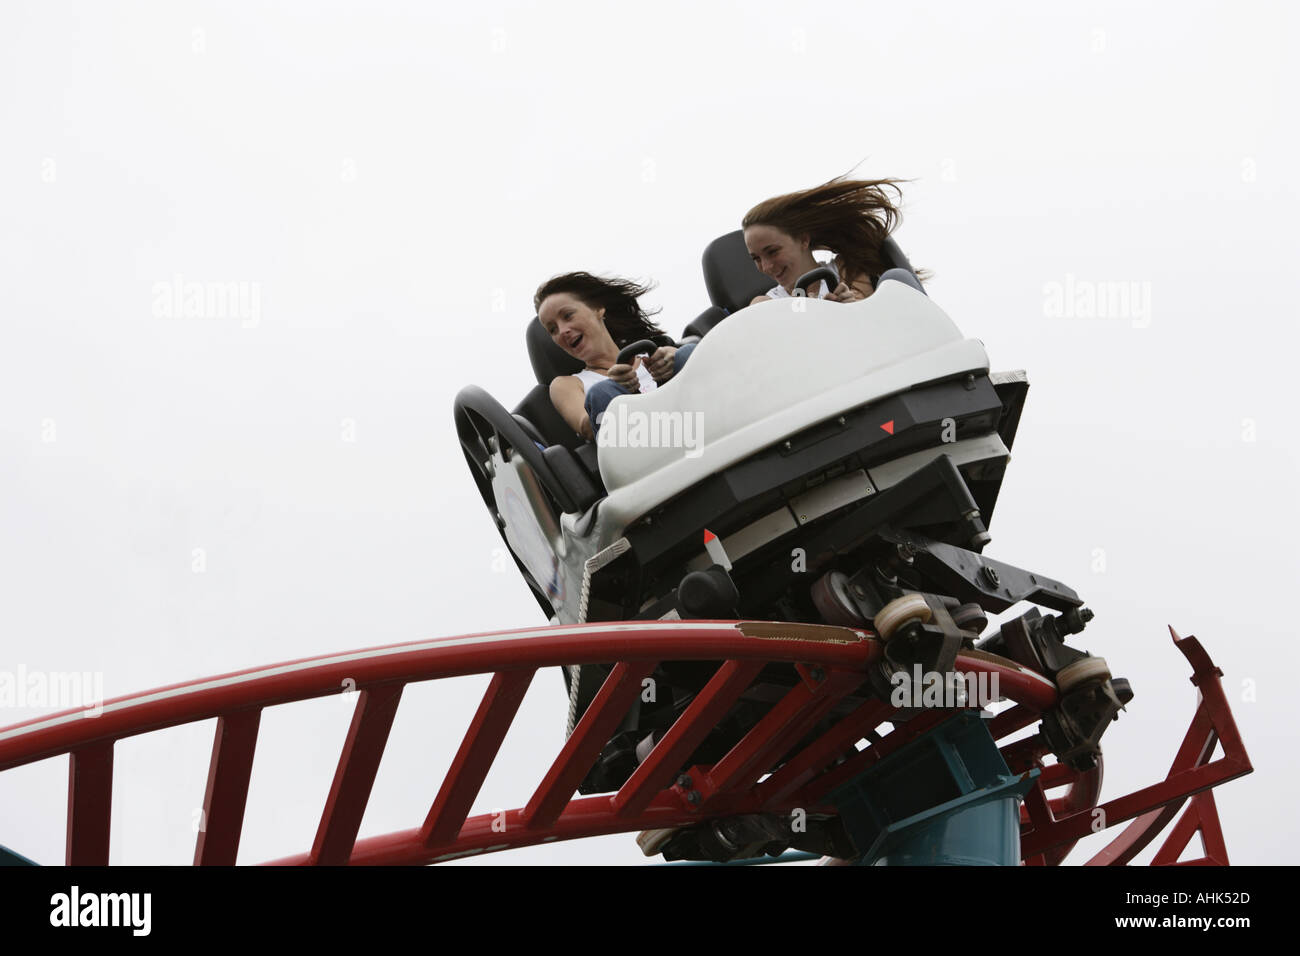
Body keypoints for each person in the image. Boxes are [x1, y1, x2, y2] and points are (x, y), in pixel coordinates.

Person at [535, 272, 695, 441]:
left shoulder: (655, 356)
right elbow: (585, 425)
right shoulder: (566, 385)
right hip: (642, 449)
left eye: (568, 316)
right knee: (601, 393)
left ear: (597, 309)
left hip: (695, 424)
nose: (562, 331)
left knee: (687, 352)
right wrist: (616, 391)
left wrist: (675, 356)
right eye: (553, 330)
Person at [742, 177, 917, 306]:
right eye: (756, 258)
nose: (766, 267)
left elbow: (867, 310)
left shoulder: (845, 269)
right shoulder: (766, 304)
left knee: (897, 277)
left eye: (772, 252)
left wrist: (849, 304)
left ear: (803, 240)